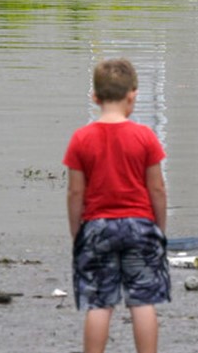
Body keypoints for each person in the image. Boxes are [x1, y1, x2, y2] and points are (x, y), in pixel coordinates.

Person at [64, 58, 169, 353]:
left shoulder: (81, 139)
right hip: (140, 225)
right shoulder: (145, 137)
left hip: (97, 227)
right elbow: (157, 188)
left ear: (94, 97)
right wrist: (159, 228)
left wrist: (78, 233)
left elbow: (75, 193)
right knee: (142, 300)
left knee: (99, 302)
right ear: (133, 95)